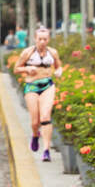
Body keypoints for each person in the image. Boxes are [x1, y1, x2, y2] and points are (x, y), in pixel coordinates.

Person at [13, 28, 59, 161]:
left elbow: (58, 66)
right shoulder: (27, 53)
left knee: (45, 117)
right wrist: (27, 68)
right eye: (40, 39)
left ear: (48, 39)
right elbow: (16, 69)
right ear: (35, 39)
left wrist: (58, 71)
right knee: (35, 121)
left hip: (47, 86)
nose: (42, 42)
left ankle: (46, 150)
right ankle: (35, 134)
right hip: (31, 86)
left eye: (45, 39)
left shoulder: (53, 52)